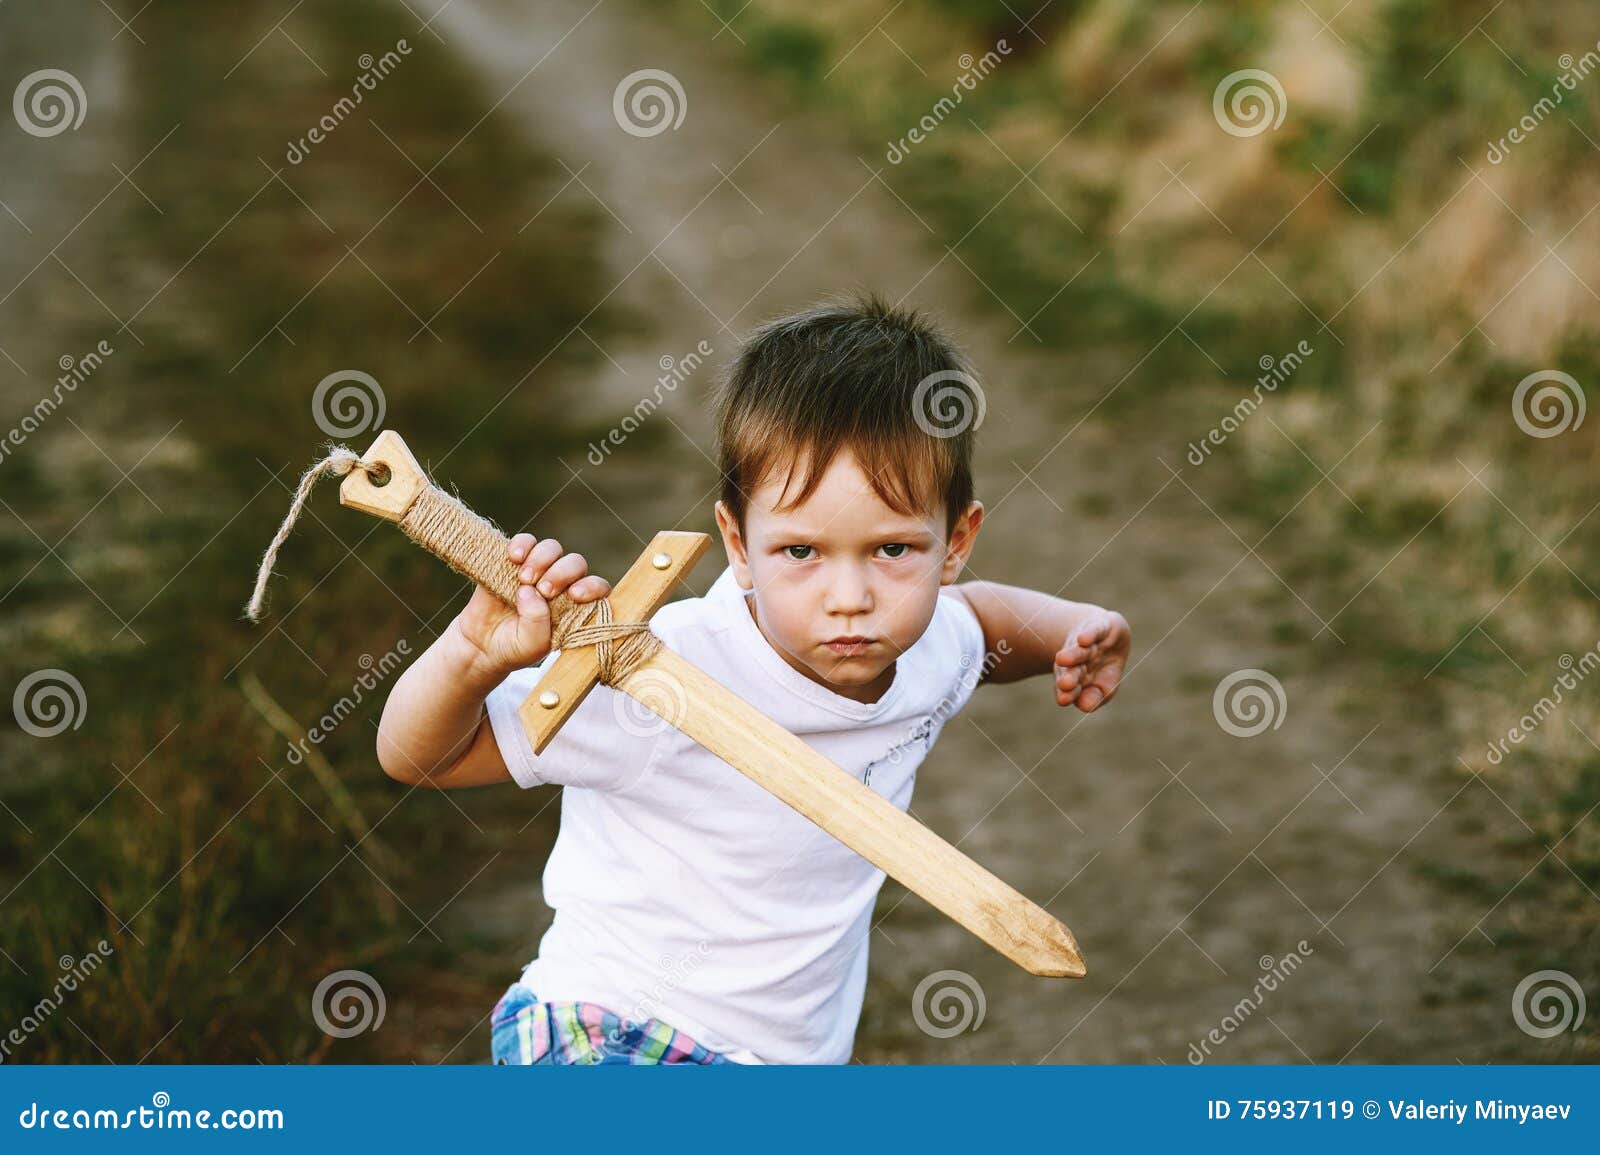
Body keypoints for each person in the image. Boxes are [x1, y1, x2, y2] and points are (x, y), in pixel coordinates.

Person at [374, 292, 1131, 1064]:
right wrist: (470, 656)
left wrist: (1074, 629)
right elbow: (419, 756)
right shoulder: (655, 677)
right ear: (737, 544)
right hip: (607, 1027)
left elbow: (990, 620)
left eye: (892, 549)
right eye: (801, 552)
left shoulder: (933, 645)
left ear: (955, 542)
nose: (849, 597)